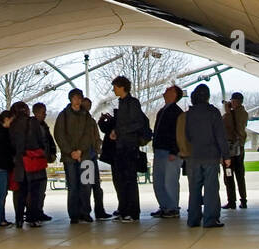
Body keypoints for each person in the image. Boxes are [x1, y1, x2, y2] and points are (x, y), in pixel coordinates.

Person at [177, 83, 229, 227]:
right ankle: (210, 219)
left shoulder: (190, 113)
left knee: (194, 189)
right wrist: (226, 155)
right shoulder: (213, 112)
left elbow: (187, 134)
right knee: (211, 189)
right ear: (207, 96)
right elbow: (220, 136)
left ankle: (193, 219)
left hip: (194, 156)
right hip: (210, 155)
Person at [102, 75, 150, 221]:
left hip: (129, 146)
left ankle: (132, 212)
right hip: (121, 146)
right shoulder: (122, 103)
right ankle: (124, 210)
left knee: (129, 180)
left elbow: (138, 123)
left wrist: (120, 131)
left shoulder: (132, 103)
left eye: (115, 87)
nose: (113, 89)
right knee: (122, 180)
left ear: (122, 87)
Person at [54, 88, 101, 223]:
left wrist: (80, 150)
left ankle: (85, 212)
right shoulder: (63, 115)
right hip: (69, 158)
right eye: (75, 98)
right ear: (70, 99)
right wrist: (71, 152)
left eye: (79, 98)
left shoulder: (86, 116)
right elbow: (59, 135)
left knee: (86, 186)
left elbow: (88, 135)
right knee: (73, 186)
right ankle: (74, 214)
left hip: (86, 156)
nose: (77, 101)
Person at [10, 101, 52, 228]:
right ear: (27, 110)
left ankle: (19, 219)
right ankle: (32, 217)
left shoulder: (13, 124)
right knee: (34, 192)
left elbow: (12, 143)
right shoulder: (32, 122)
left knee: (20, 192)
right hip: (32, 161)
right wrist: (42, 151)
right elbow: (39, 140)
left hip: (19, 163)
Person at [149, 85, 184, 218]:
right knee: (158, 180)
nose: (165, 91)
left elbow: (179, 133)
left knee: (170, 180)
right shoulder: (163, 110)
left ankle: (172, 207)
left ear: (174, 94)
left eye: (169, 90)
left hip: (170, 152)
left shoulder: (176, 112)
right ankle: (164, 206)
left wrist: (174, 151)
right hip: (160, 150)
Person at [222, 92, 250, 209]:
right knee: (240, 175)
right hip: (240, 148)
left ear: (234, 101)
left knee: (228, 175)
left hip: (230, 149)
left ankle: (231, 200)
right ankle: (243, 200)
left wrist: (227, 112)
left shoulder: (230, 115)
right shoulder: (244, 114)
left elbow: (224, 124)